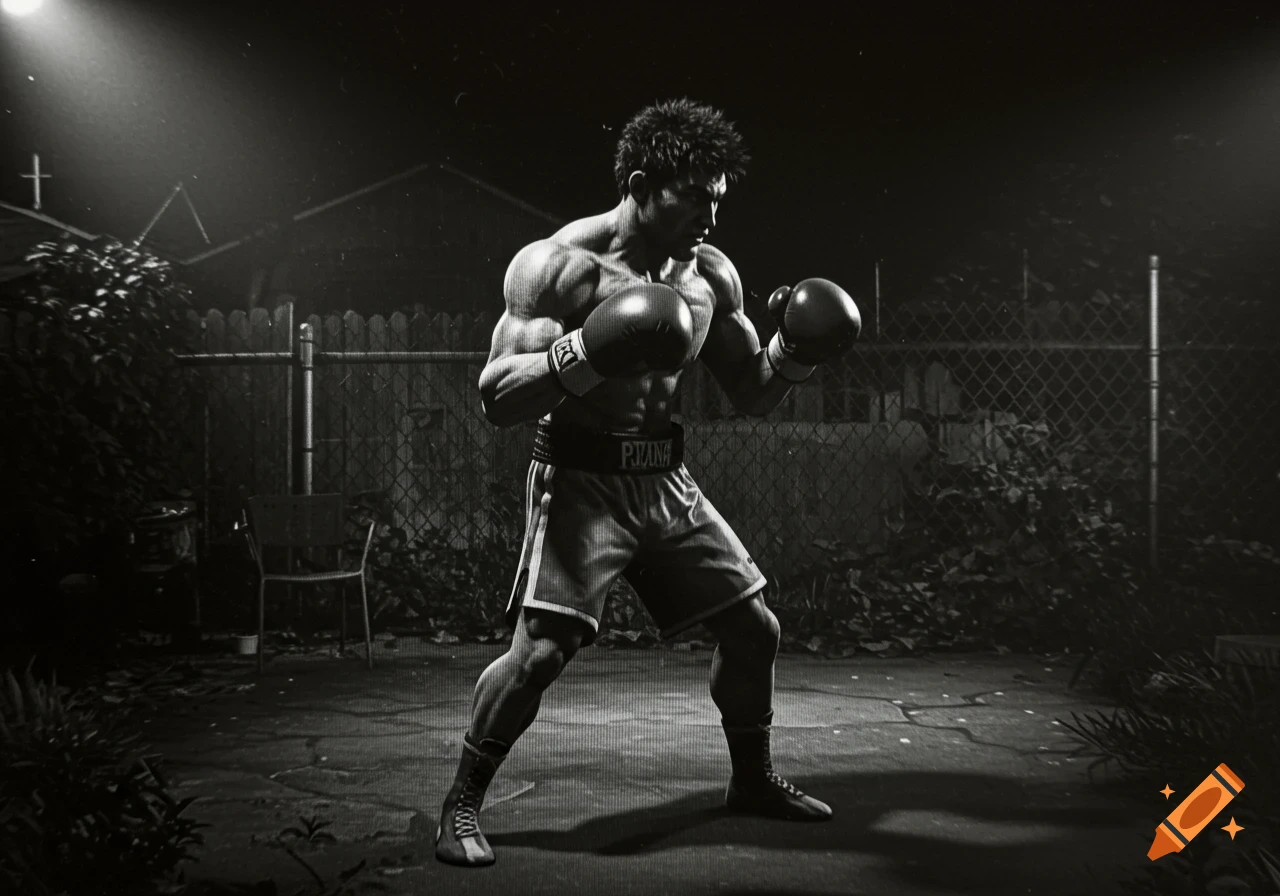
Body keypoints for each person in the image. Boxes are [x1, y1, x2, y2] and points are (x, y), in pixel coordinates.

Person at [436, 97, 861, 867]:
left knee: (752, 627)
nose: (710, 216)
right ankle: (461, 801)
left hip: (665, 479)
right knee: (540, 653)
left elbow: (751, 391)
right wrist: (589, 351)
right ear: (639, 183)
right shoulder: (558, 265)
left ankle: (753, 780)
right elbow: (496, 396)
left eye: (719, 200)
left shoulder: (710, 277)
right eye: (695, 196)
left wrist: (797, 350)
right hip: (579, 478)